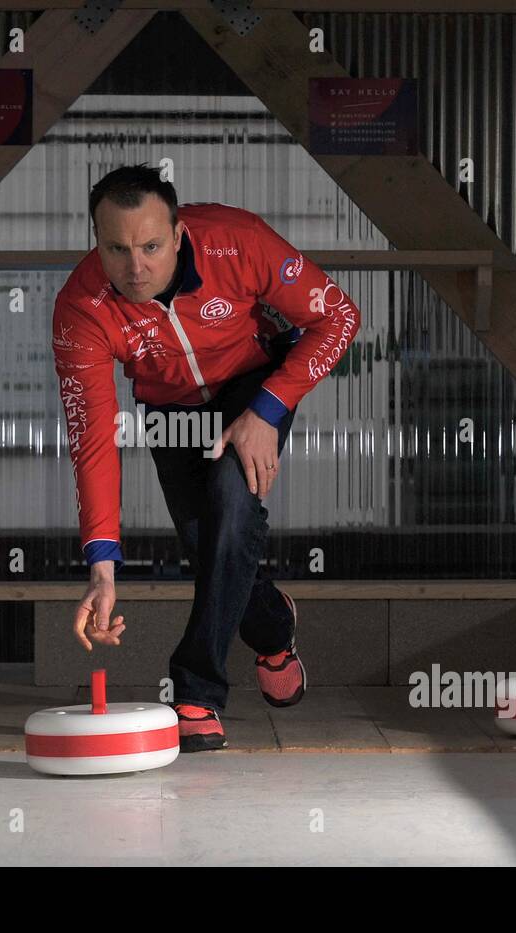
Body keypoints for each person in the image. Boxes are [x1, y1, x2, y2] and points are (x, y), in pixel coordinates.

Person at [51, 163, 361, 751]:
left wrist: (269, 410)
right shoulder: (81, 308)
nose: (135, 267)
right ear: (96, 241)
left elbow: (339, 316)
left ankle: (196, 690)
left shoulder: (236, 240)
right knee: (209, 546)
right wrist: (101, 566)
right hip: (170, 411)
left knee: (231, 501)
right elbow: (91, 435)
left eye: (150, 246)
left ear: (179, 231)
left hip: (252, 384)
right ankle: (272, 627)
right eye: (116, 249)